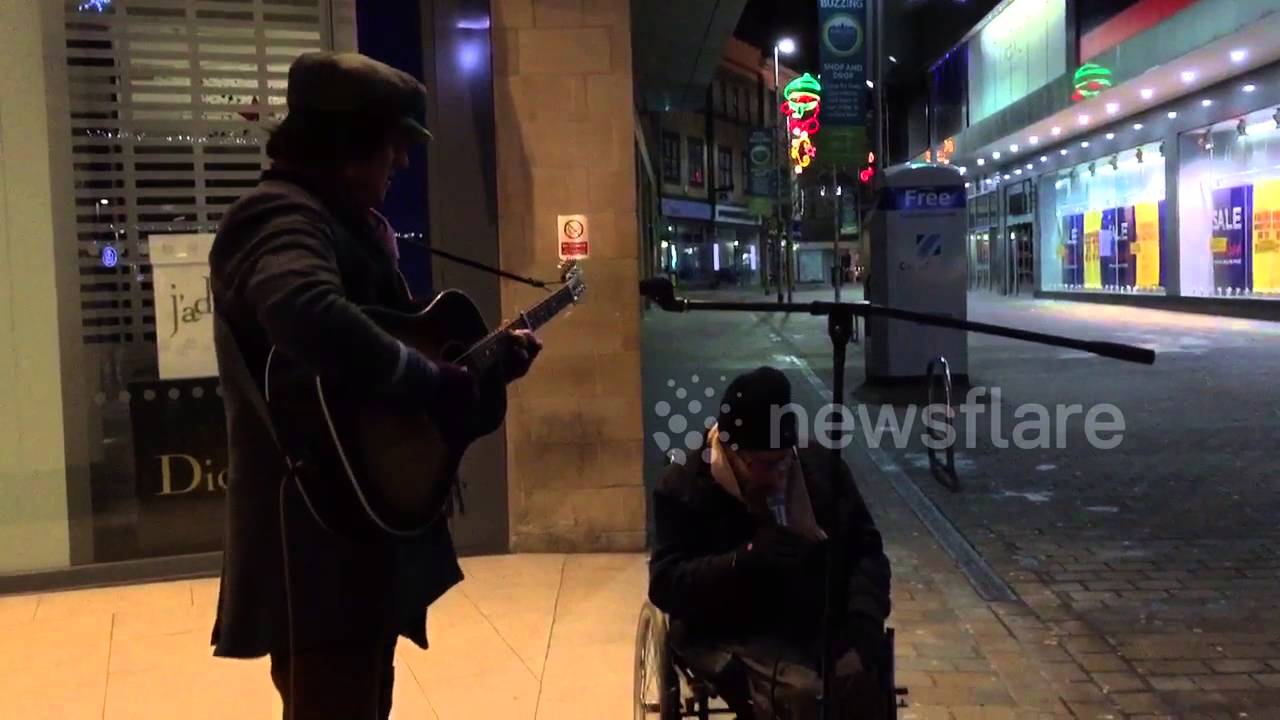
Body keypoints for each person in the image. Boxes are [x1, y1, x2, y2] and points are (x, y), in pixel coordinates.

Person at [207, 51, 542, 720]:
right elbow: (300, 306)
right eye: (396, 146)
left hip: (353, 528)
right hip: (315, 539)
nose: (404, 165)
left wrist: (483, 368)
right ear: (351, 145)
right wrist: (427, 378)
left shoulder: (340, 223)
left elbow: (385, 370)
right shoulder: (279, 216)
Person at [648, 367, 891, 719]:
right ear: (732, 452)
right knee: (803, 695)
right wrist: (743, 560)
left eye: (783, 461)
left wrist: (864, 618)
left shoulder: (819, 468)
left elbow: (865, 549)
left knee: (859, 679)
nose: (779, 476)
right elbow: (667, 584)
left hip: (813, 613)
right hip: (730, 625)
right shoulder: (685, 487)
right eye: (764, 465)